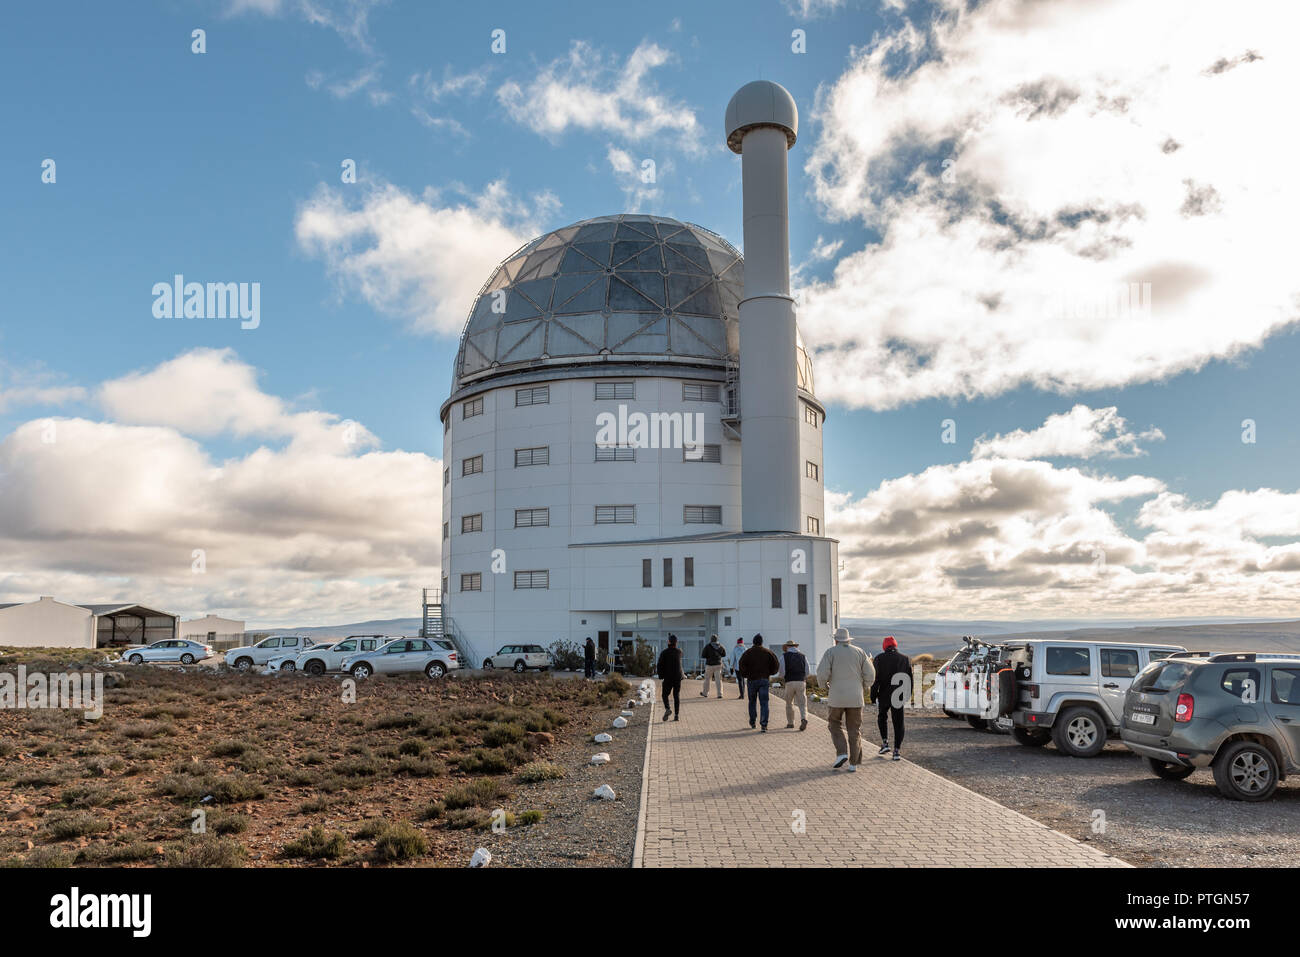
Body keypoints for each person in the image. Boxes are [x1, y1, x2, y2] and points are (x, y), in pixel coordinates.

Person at [815, 627, 876, 771]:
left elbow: (822, 672)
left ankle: (842, 752)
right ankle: (854, 763)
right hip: (856, 697)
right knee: (854, 729)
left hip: (837, 696)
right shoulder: (859, 652)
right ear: (848, 639)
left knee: (834, 724)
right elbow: (870, 672)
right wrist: (865, 685)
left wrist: (823, 685)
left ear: (836, 640)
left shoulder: (830, 652)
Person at [871, 635, 914, 761]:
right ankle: (896, 750)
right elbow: (909, 679)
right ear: (895, 645)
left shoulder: (879, 659)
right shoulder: (905, 659)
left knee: (882, 717)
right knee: (898, 723)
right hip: (899, 695)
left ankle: (885, 743)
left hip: (883, 695)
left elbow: (876, 680)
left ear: (884, 646)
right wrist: (907, 695)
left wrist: (873, 696)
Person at [737, 634, 780, 732]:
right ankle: (764, 724)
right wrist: (770, 673)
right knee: (764, 702)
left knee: (752, 702)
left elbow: (741, 664)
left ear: (753, 642)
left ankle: (753, 722)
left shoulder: (748, 653)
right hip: (764, 680)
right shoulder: (768, 652)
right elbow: (776, 665)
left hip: (752, 680)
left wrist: (746, 675)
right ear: (761, 642)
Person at [778, 640, 809, 731]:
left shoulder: (784, 656)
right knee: (802, 703)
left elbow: (782, 671)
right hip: (801, 681)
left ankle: (791, 723)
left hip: (789, 681)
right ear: (795, 646)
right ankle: (804, 718)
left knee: (789, 703)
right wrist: (803, 677)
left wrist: (782, 677)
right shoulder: (803, 656)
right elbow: (807, 671)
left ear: (787, 647)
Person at [656, 634, 685, 722]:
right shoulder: (679, 652)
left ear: (668, 642)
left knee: (665, 695)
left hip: (668, 677)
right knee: (676, 695)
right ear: (676, 642)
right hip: (677, 677)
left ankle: (668, 708)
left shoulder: (664, 652)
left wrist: (661, 676)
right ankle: (676, 716)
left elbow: (659, 665)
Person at [699, 634, 727, 698]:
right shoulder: (720, 646)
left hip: (709, 665)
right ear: (717, 639)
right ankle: (720, 694)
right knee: (718, 680)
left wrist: (709, 656)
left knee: (707, 679)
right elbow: (724, 654)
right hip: (718, 665)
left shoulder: (707, 646)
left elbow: (703, 655)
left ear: (711, 639)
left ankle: (705, 693)